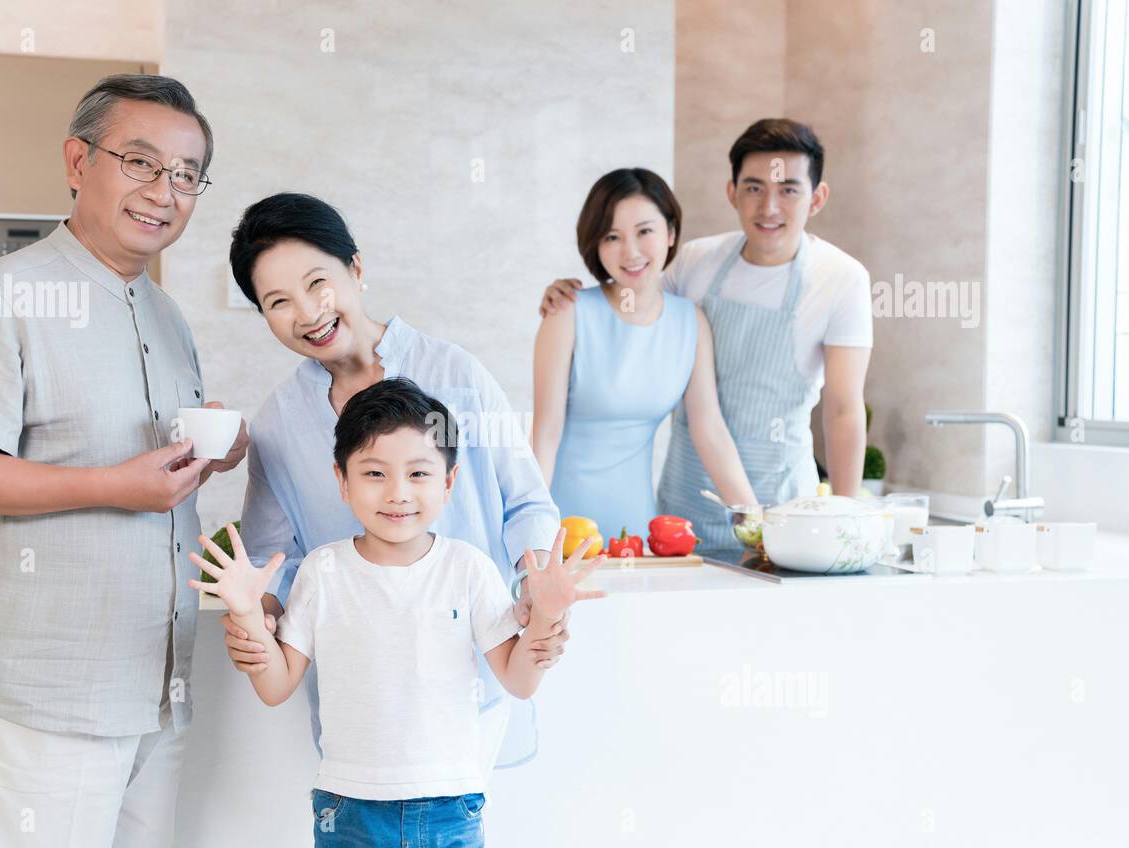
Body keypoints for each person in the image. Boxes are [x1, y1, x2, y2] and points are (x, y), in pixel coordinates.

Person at [0, 74, 246, 848]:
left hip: (153, 691)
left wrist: (213, 451)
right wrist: (112, 485)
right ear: (76, 160)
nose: (164, 191)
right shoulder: (8, 295)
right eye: (139, 161)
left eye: (186, 174)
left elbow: (147, 463)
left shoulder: (165, 317)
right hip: (43, 696)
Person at [192, 378, 605, 848]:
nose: (397, 493)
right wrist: (245, 611)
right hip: (349, 812)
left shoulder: (469, 568)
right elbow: (275, 685)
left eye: (418, 473)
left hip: (453, 808)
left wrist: (547, 616)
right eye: (373, 473)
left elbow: (518, 680)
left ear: (448, 483)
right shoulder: (322, 572)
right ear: (342, 481)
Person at [224, 193, 565, 774]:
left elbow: (526, 501)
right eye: (278, 302)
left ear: (355, 269)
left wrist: (535, 584)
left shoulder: (455, 376)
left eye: (318, 283)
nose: (307, 313)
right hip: (366, 709)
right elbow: (272, 562)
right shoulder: (280, 422)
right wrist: (257, 618)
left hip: (474, 682)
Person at [540, 120, 872, 549]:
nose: (769, 207)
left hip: (781, 507)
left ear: (817, 197)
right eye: (754, 188)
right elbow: (633, 302)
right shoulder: (697, 262)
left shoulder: (841, 279)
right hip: (680, 512)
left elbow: (844, 411)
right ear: (732, 192)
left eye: (789, 189)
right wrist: (566, 299)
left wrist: (841, 524)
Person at [530, 168, 756, 542]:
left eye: (644, 231)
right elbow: (545, 434)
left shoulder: (691, 322)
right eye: (612, 236)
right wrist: (531, 529)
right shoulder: (568, 313)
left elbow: (710, 429)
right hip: (561, 527)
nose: (630, 251)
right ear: (595, 245)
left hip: (636, 529)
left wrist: (752, 517)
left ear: (670, 232)